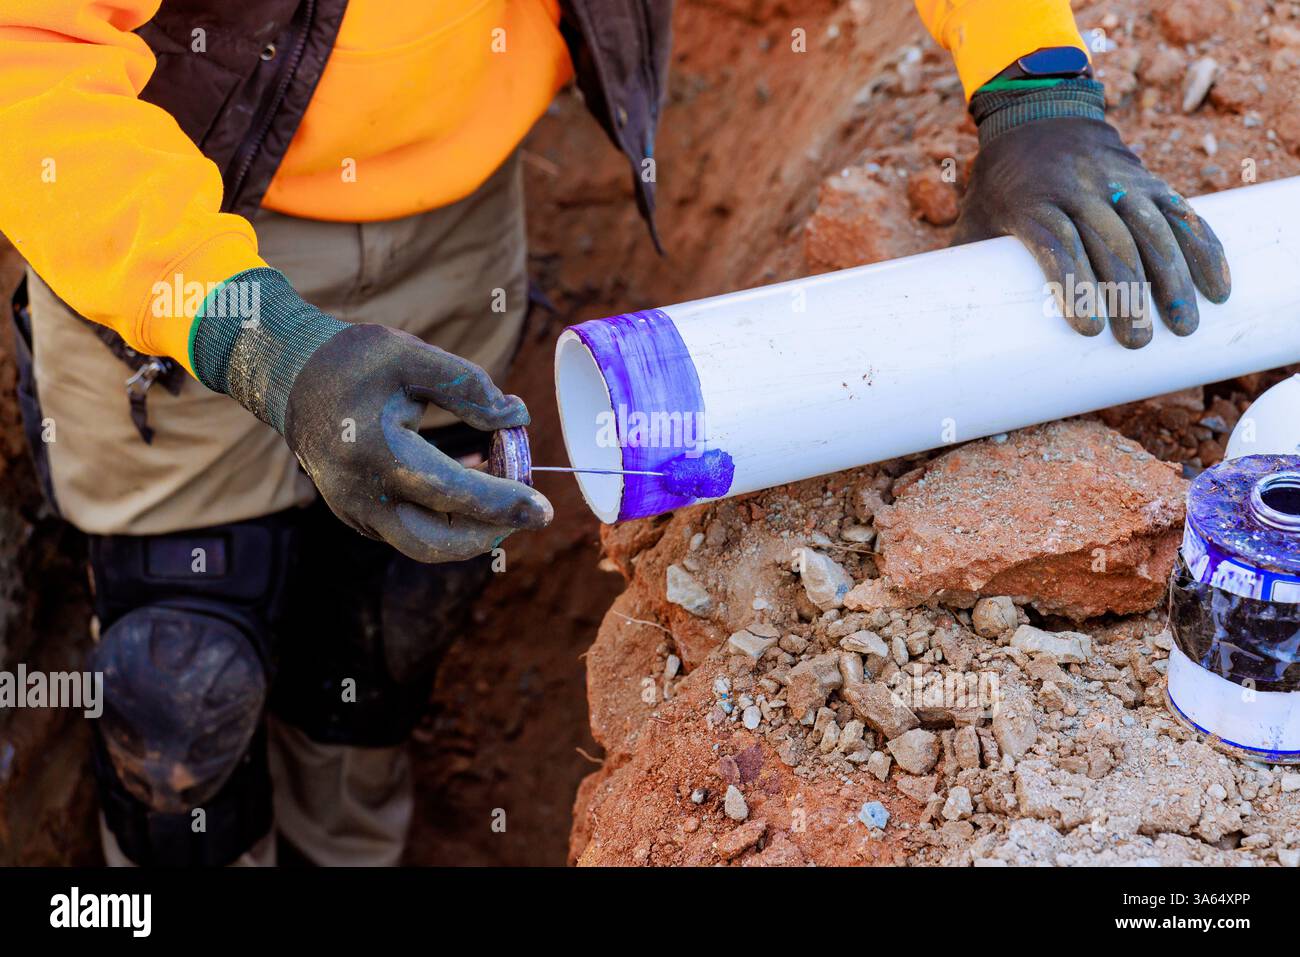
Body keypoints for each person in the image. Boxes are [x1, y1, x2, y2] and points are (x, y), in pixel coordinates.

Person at [0, 0, 1230, 866]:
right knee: (178, 685)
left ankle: (353, 843)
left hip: (452, 216)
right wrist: (253, 337)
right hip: (169, 227)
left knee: (392, 609)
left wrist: (1032, 82)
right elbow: (25, 51)